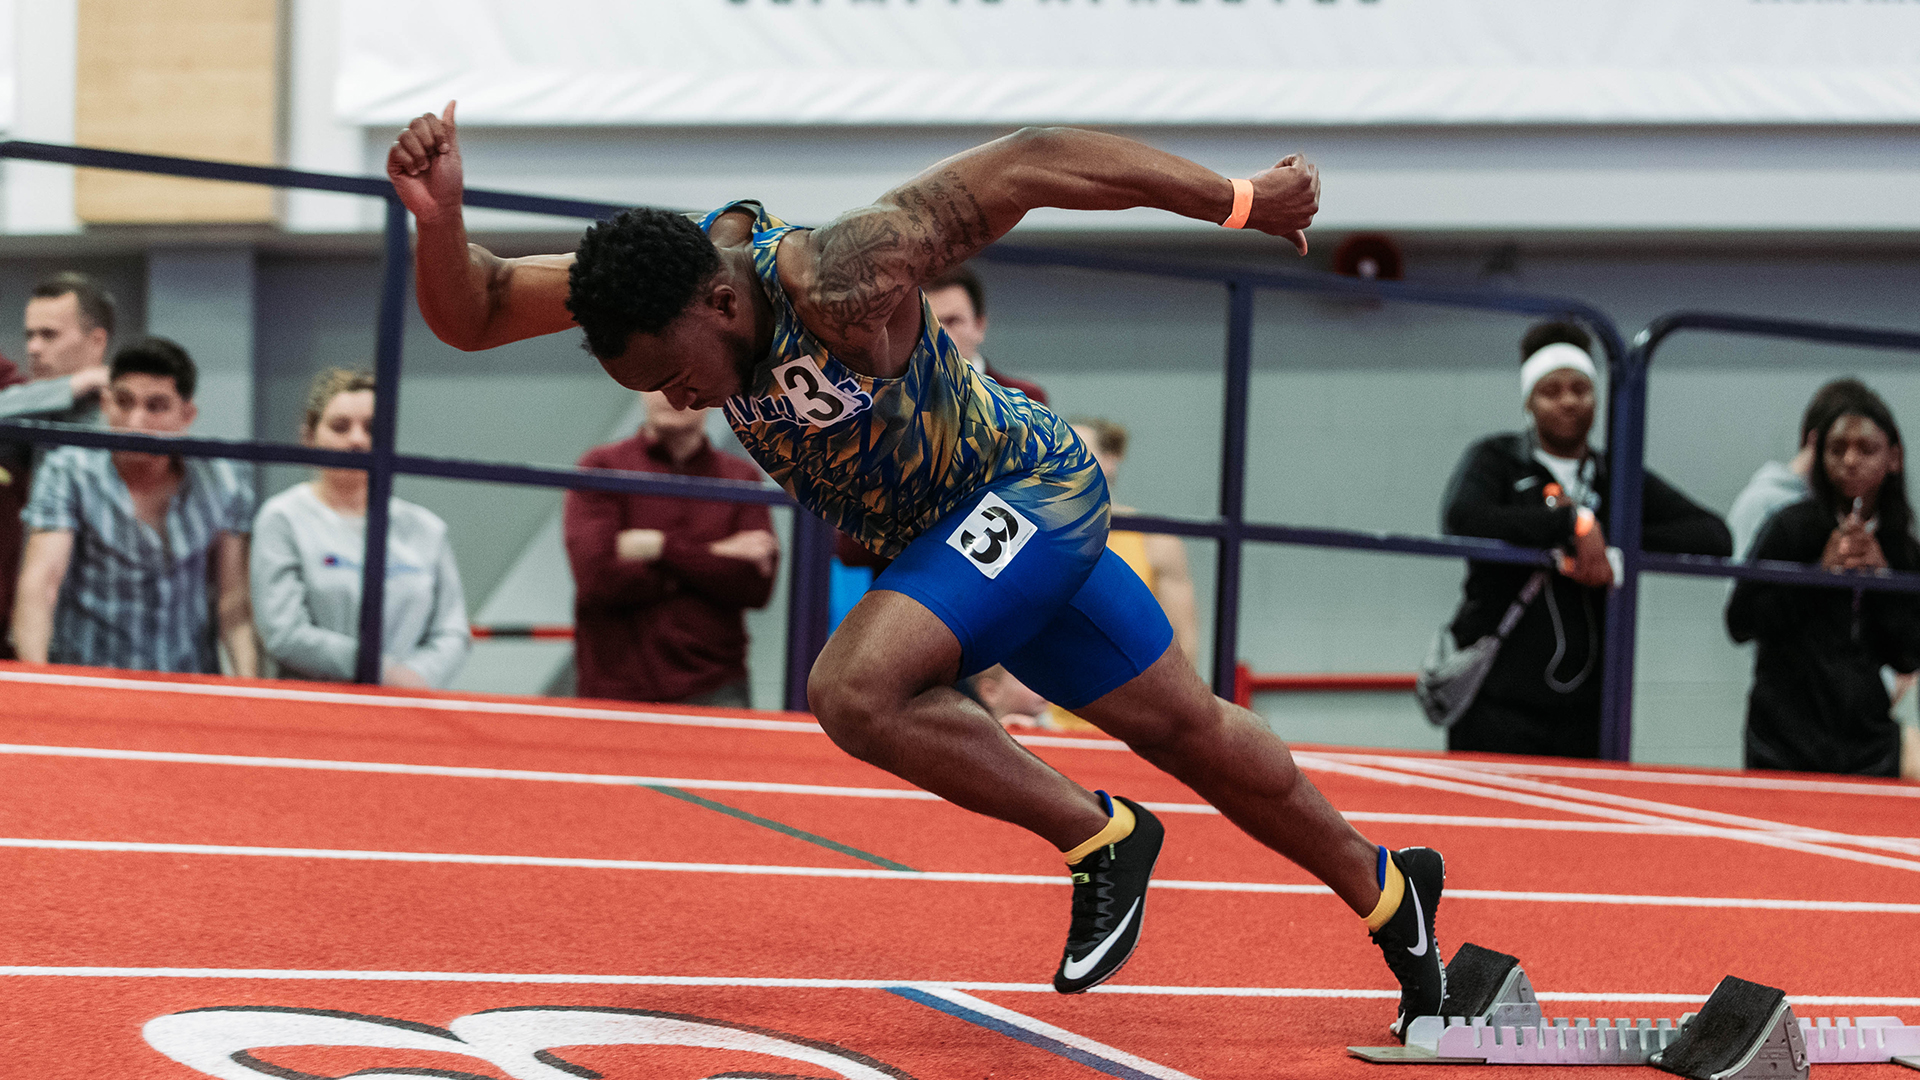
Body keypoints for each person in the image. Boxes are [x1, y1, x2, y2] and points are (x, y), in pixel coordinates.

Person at [390, 103, 1447, 1038]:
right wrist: (439, 221)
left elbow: (1032, 160)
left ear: (719, 305)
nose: (674, 404)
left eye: (673, 377)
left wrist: (1238, 200)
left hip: (1031, 492)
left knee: (851, 689)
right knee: (1192, 729)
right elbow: (476, 310)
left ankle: (1103, 838)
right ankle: (1396, 900)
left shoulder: (836, 274)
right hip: (959, 548)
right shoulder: (638, 287)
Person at [1440, 321, 1731, 759]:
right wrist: (1569, 527)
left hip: (1589, 710)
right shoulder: (1497, 459)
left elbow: (1714, 535)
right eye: (1551, 391)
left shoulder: (1616, 474)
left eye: (1580, 389)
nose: (1568, 402)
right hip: (1498, 702)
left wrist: (1611, 540)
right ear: (1529, 402)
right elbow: (1463, 517)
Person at [11, 337, 256, 675]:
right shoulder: (68, 469)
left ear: (187, 415)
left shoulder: (225, 478)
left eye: (156, 406)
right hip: (88, 685)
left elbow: (233, 602)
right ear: (106, 403)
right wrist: (38, 686)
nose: (135, 421)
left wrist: (249, 693)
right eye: (124, 403)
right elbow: (41, 584)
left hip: (187, 686)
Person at [1727, 384, 1920, 779]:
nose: (1850, 461)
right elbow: (1741, 622)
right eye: (1837, 449)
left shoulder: (1902, 546)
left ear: (1894, 457)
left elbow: (1909, 654)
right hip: (1783, 741)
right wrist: (1816, 574)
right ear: (1819, 456)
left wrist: (1884, 581)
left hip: (1868, 744)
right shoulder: (1789, 526)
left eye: (1866, 450)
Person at [251, 369, 472, 688]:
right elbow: (283, 631)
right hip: (315, 710)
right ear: (308, 437)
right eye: (340, 427)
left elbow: (451, 631)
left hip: (409, 709)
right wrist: (379, 670)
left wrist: (416, 679)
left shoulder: (426, 528)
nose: (357, 440)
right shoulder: (283, 518)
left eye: (372, 428)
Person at [564, 390, 777, 707]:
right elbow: (598, 579)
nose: (669, 394)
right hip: (616, 687)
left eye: (683, 381)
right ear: (637, 389)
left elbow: (755, 586)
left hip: (717, 686)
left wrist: (656, 546)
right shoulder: (601, 467)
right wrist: (715, 553)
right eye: (656, 380)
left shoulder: (740, 477)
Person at [0, 273, 116, 657]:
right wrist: (72, 386)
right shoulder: (31, 410)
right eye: (30, 335)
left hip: (113, 631)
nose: (33, 348)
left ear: (96, 341)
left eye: (49, 335)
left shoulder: (124, 415)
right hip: (40, 629)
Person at [1728, 379, 1867, 559]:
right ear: (1816, 441)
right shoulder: (1762, 504)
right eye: (1839, 447)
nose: (1851, 461)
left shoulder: (1830, 503)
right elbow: (1745, 584)